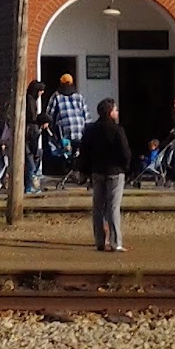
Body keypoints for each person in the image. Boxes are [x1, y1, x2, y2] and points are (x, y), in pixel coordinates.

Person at [80, 98, 132, 251]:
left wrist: (85, 170)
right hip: (115, 172)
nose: (117, 112)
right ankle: (116, 242)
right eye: (115, 110)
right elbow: (125, 152)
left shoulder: (90, 129)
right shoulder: (117, 130)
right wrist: (126, 167)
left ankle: (99, 241)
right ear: (110, 112)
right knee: (113, 207)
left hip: (97, 171)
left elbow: (84, 151)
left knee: (97, 207)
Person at [45, 73, 89, 177]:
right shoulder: (79, 96)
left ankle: (67, 172)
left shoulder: (56, 96)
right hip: (79, 129)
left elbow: (49, 113)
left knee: (65, 153)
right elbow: (86, 114)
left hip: (65, 130)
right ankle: (77, 172)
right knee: (78, 152)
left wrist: (48, 125)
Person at [22, 79, 46, 195]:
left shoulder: (29, 99)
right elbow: (32, 118)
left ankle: (29, 185)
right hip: (28, 136)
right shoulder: (30, 101)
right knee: (30, 163)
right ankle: (28, 186)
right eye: (41, 91)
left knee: (31, 161)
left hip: (29, 136)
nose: (42, 94)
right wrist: (41, 120)